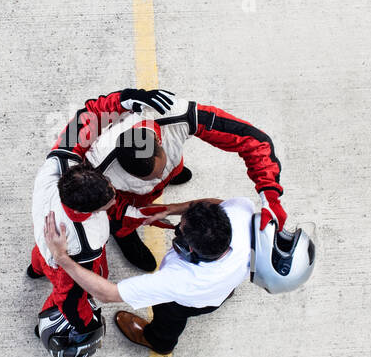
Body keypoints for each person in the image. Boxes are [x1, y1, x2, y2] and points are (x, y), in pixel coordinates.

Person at [54, 88, 286, 273]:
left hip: (167, 164)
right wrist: (151, 216)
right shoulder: (97, 165)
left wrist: (270, 195)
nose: (157, 177)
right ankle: (124, 236)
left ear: (158, 142)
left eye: (158, 169)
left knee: (173, 170)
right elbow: (114, 209)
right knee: (119, 221)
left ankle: (173, 171)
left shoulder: (174, 112)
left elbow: (254, 141)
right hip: (132, 196)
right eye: (148, 177)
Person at [43, 196, 257, 355]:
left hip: (187, 302)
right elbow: (216, 203)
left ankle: (158, 342)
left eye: (179, 230)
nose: (177, 228)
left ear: (188, 248)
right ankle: (227, 293)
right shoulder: (241, 212)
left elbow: (107, 293)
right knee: (221, 293)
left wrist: (61, 257)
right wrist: (169, 209)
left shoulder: (179, 281)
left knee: (169, 317)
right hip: (226, 284)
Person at [27, 149, 116, 357]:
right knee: (63, 296)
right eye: (106, 202)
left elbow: (75, 131)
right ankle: (45, 324)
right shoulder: (84, 246)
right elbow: (70, 301)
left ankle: (34, 270)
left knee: (39, 259)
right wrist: (87, 324)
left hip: (44, 246)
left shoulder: (53, 170)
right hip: (64, 267)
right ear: (85, 211)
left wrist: (116, 112)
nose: (113, 196)